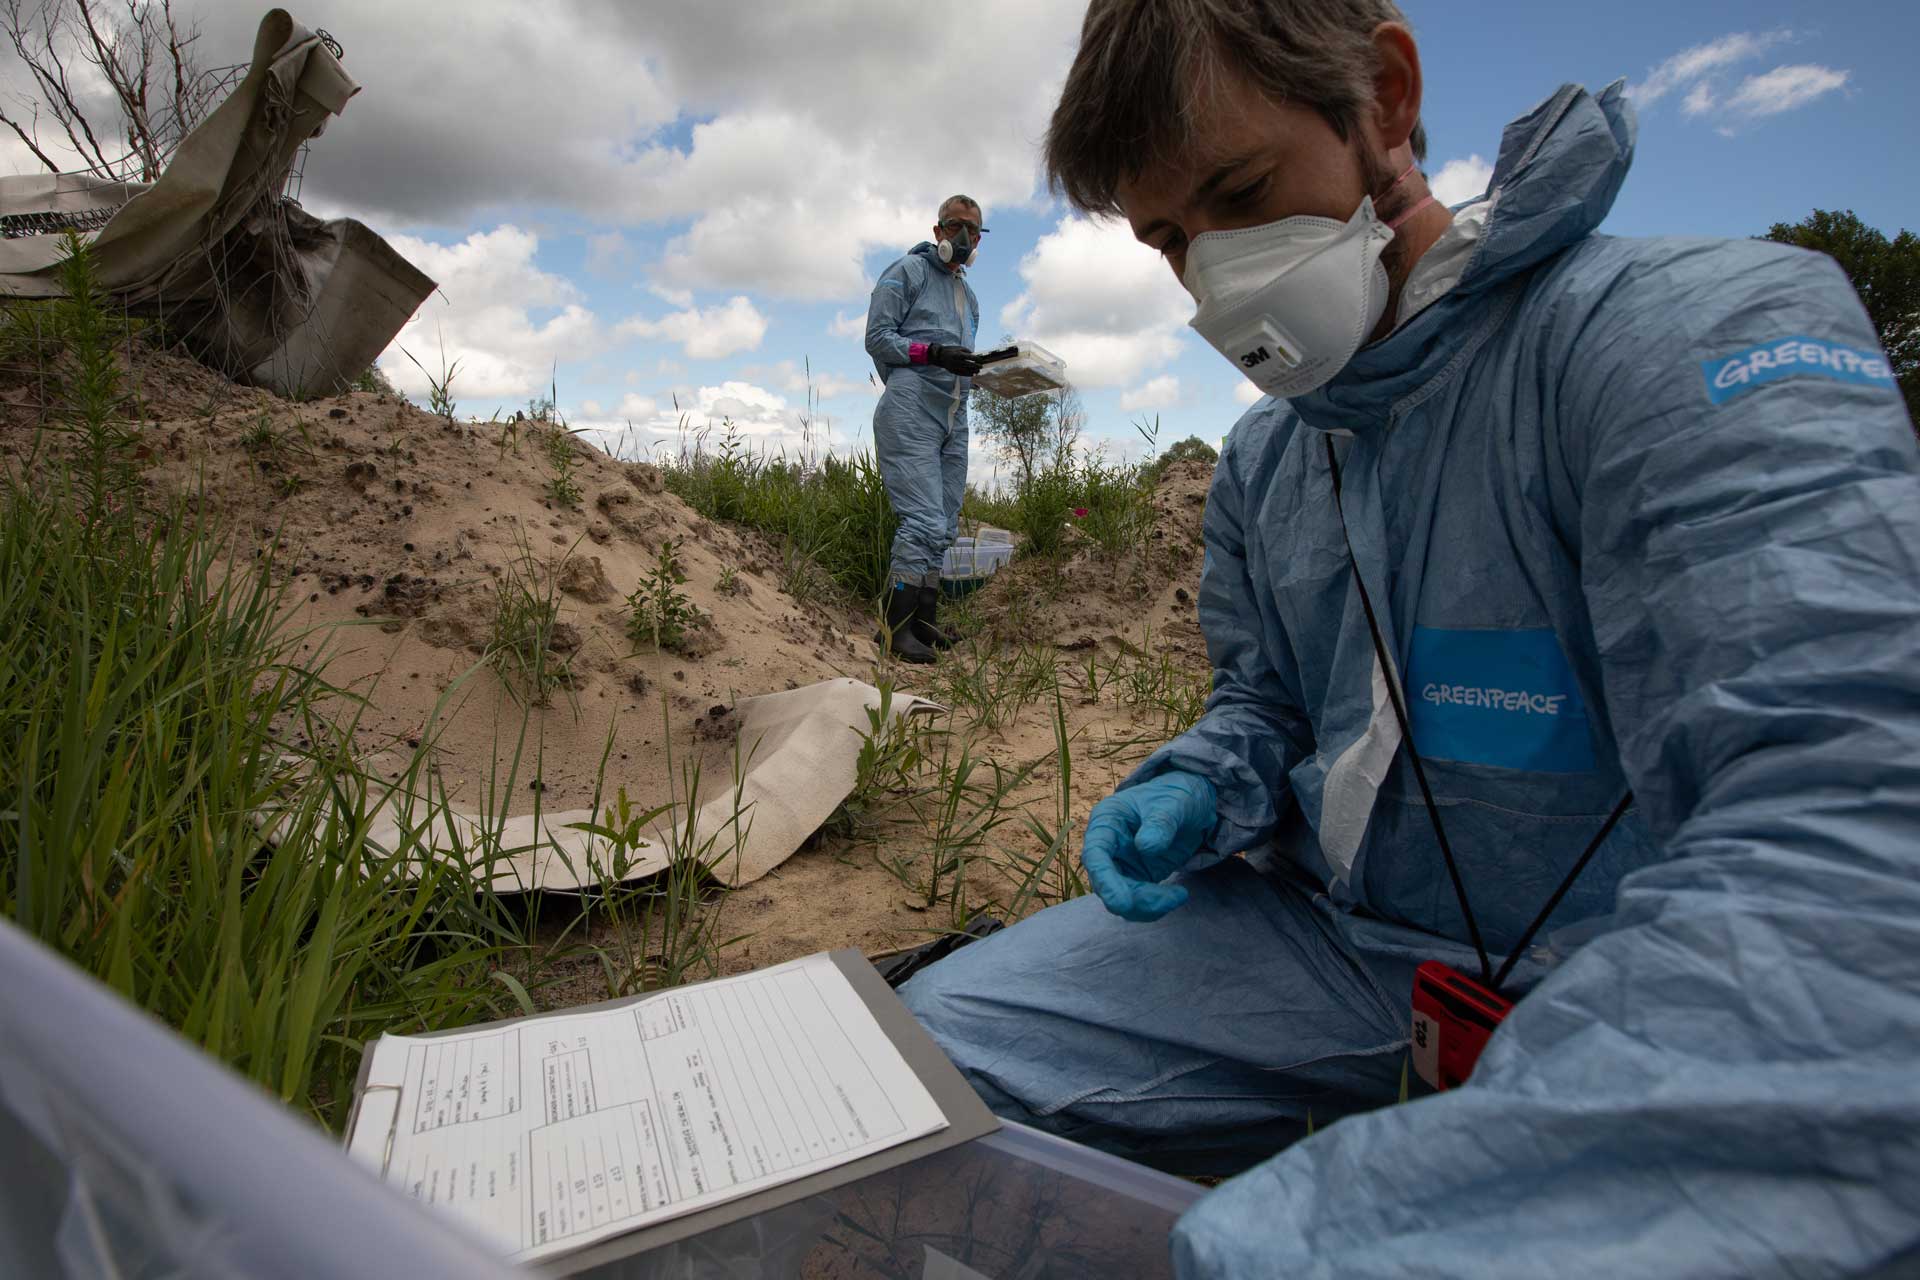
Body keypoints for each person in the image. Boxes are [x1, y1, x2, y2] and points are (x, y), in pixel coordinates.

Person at [900, 2, 1920, 1276]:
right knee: (930, 1058)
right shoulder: (1265, 460)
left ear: (1383, 99)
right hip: (1339, 948)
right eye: (1169, 239)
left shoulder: (1683, 333)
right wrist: (1201, 780)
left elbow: (1854, 834)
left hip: (1631, 975)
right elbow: (1266, 703)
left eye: (1242, 193)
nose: (1215, 274)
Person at [863, 196, 992, 664]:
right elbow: (877, 337)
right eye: (956, 226)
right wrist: (932, 354)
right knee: (922, 520)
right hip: (912, 407)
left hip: (955, 413)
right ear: (938, 231)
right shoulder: (908, 271)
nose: (964, 237)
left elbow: (961, 358)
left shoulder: (968, 296)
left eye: (973, 230)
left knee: (945, 524)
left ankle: (923, 622)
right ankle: (894, 628)